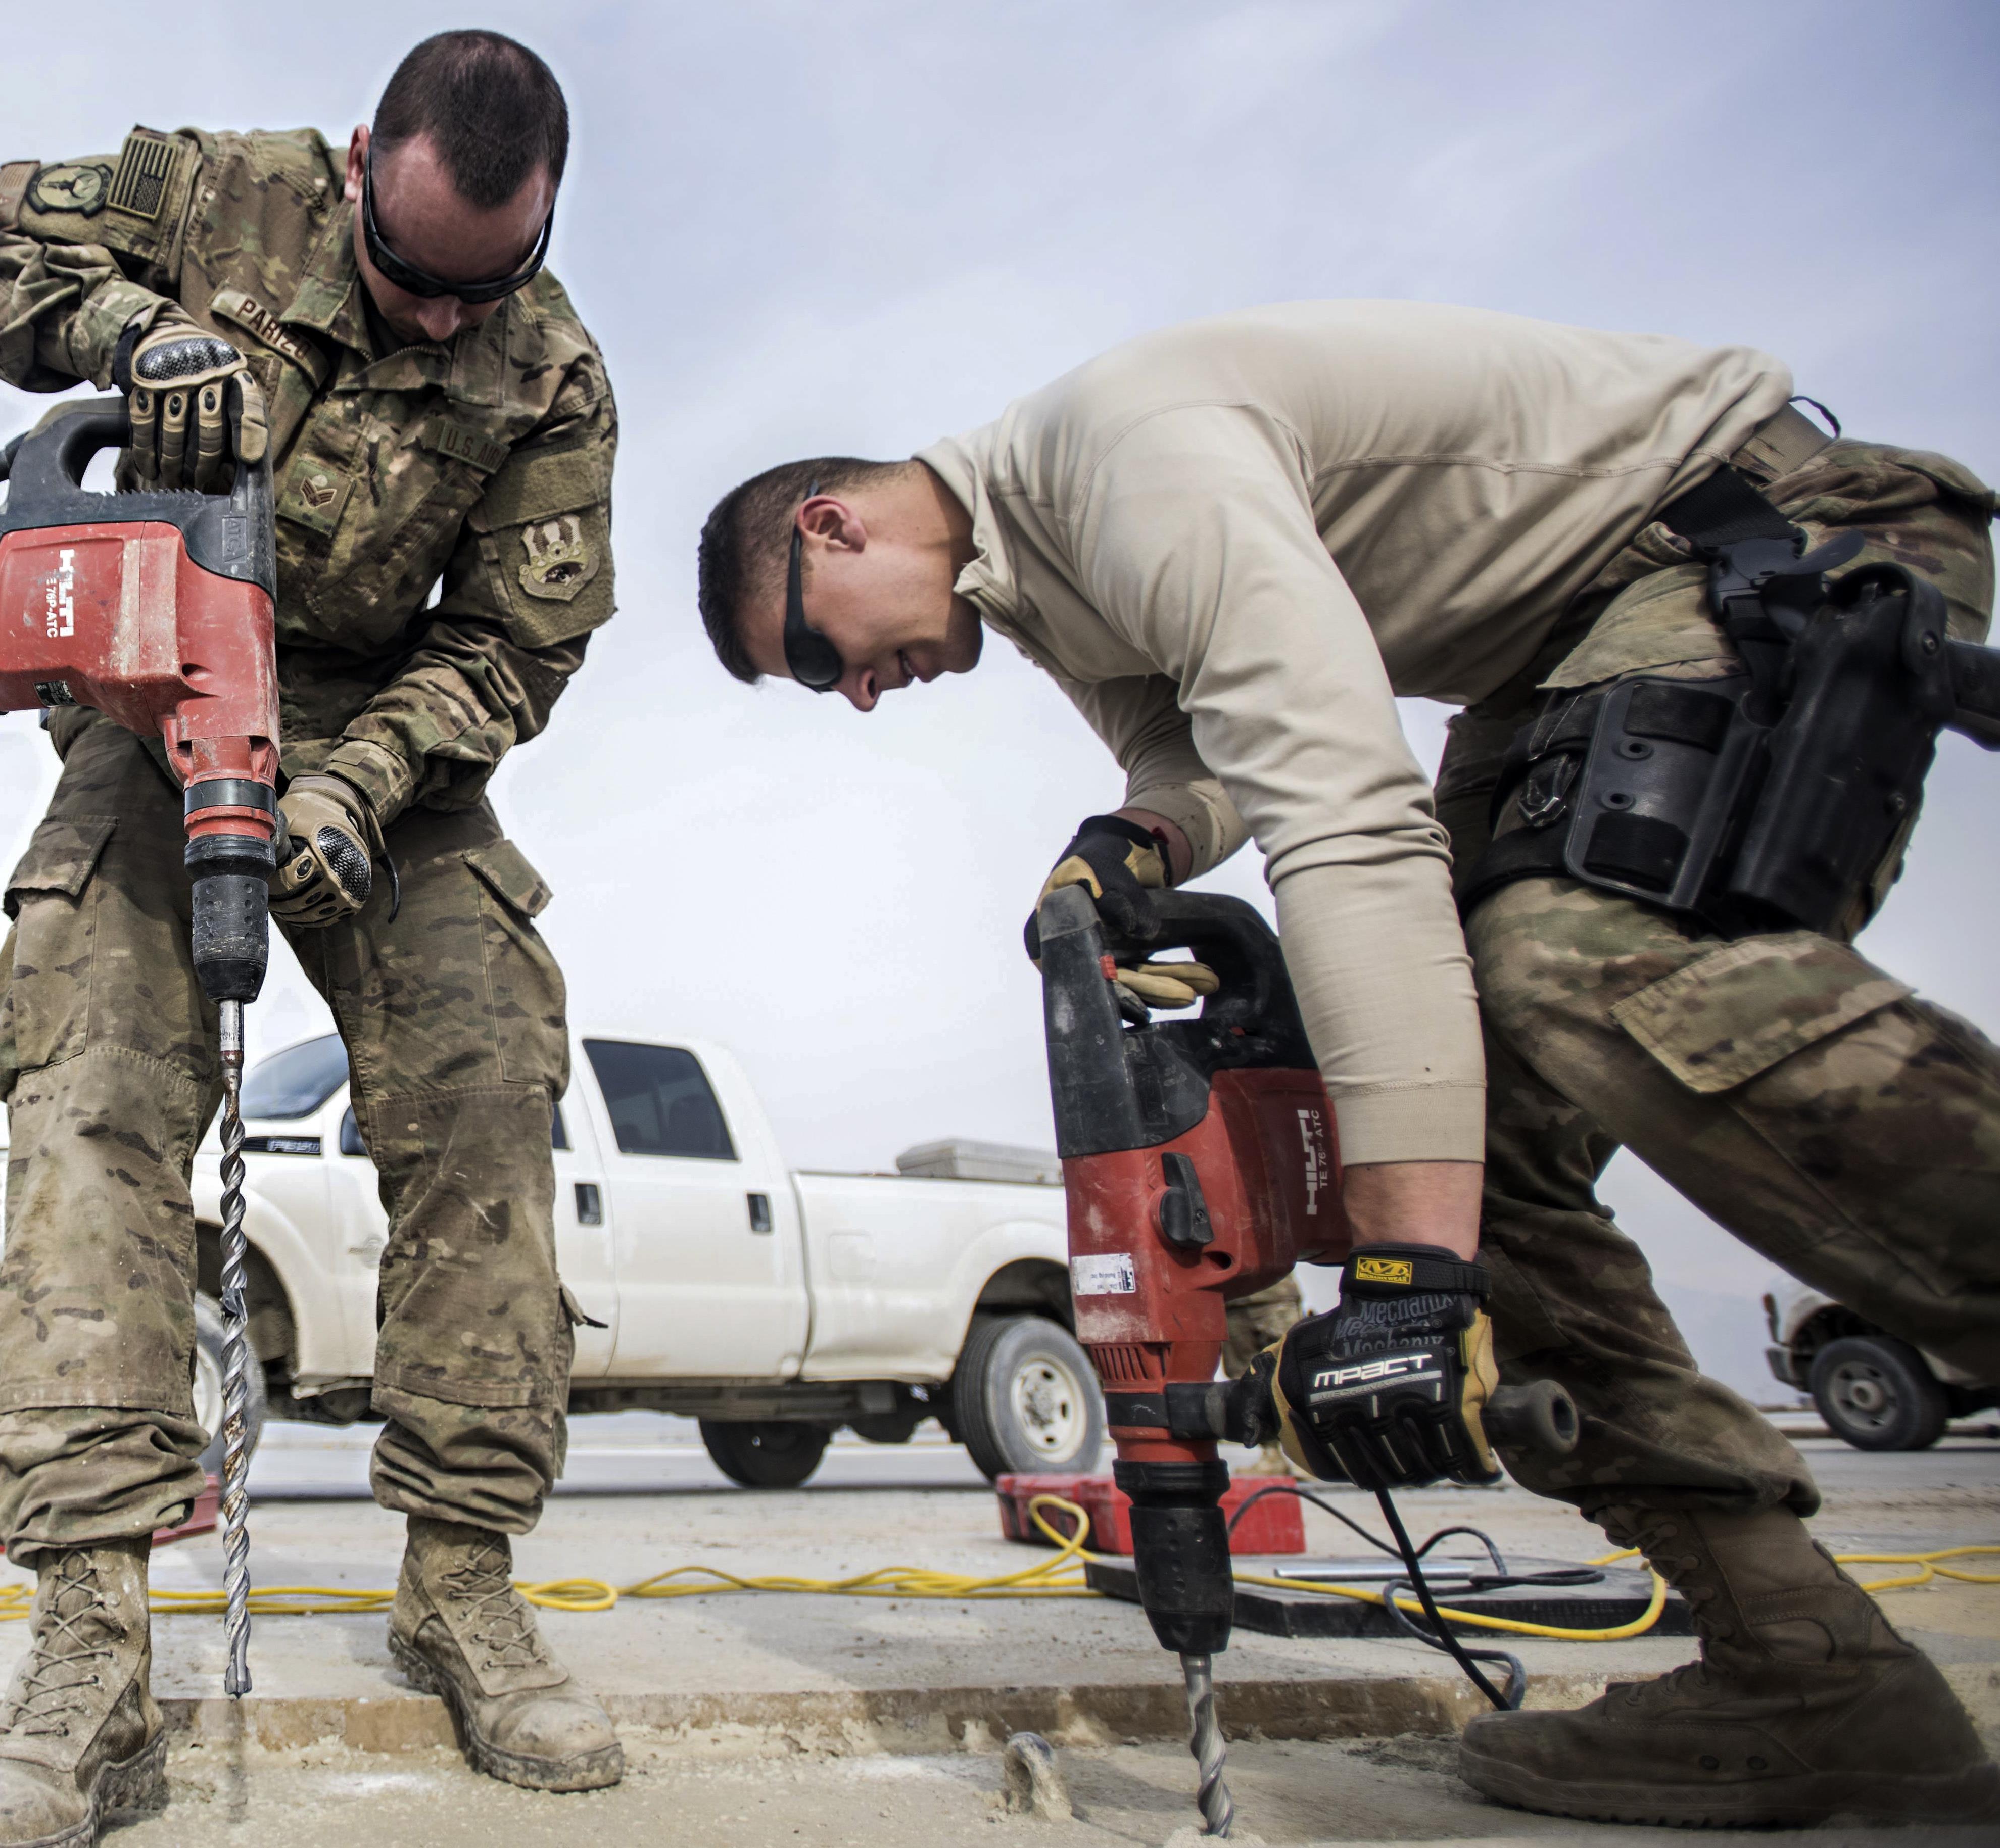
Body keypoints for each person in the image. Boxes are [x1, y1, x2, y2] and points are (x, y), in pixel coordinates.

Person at [694, 300, 1999, 1829]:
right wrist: (1141, 838)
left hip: (1758, 537)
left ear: (834, 528)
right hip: (1552, 663)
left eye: (814, 656)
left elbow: (1347, 819)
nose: (854, 692)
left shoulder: (1121, 468)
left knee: (1569, 970)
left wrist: (1402, 1282)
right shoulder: (1050, 588)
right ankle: (1805, 1665)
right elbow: (1209, 756)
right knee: (1459, 1109)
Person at [0, 27, 620, 1844]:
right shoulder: (218, 188)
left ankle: (457, 1580)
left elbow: (519, 646)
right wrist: (128, 340)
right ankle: (92, 1656)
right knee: (94, 1092)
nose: (448, 321)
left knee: (484, 1089)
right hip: (154, 705)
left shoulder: (550, 375)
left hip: (393, 755)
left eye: (492, 283)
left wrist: (361, 779)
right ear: (366, 160)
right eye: (412, 276)